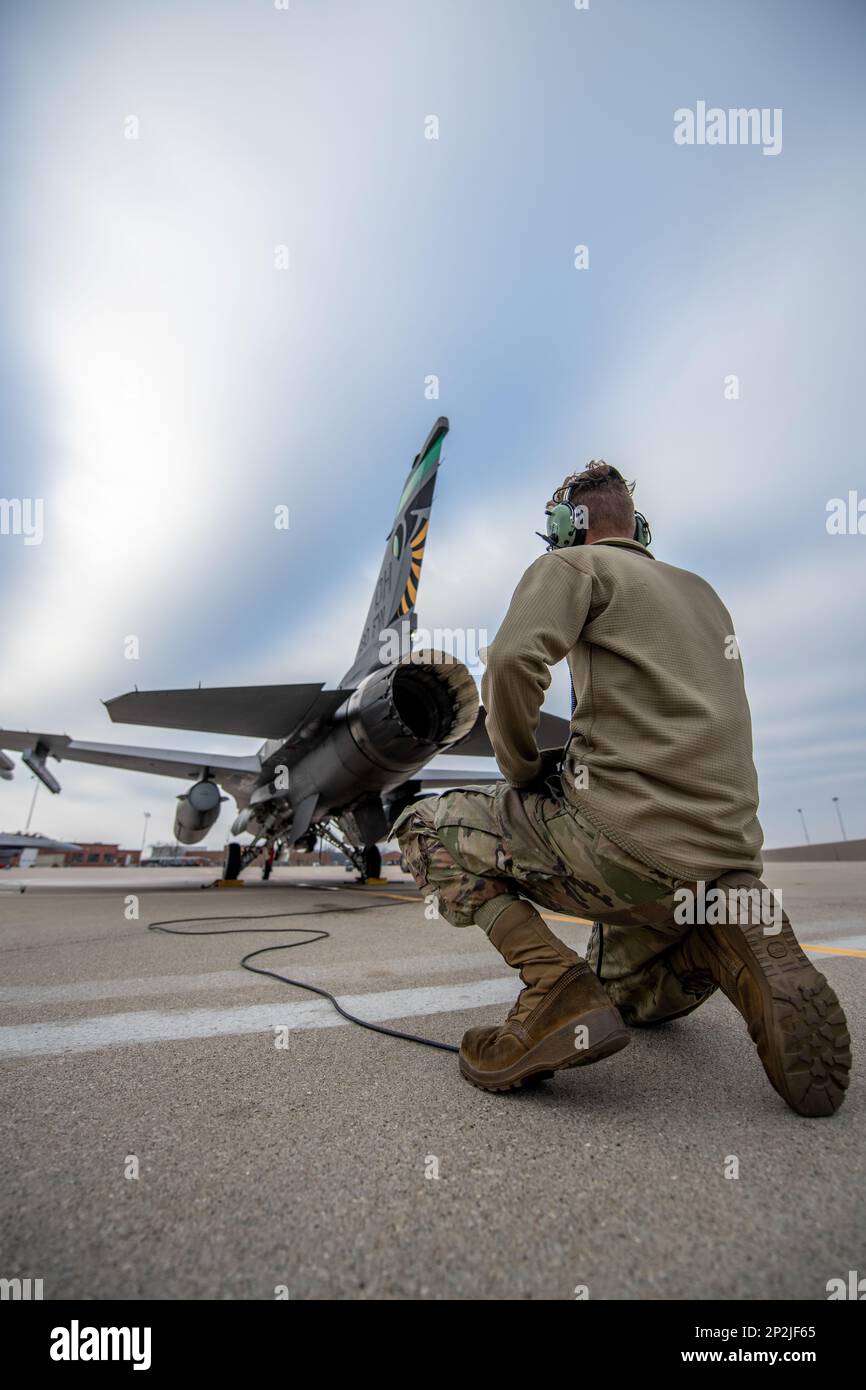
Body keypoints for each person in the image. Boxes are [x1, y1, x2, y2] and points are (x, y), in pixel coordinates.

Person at [392, 462, 851, 1116]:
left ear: (562, 526)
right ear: (637, 525)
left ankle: (551, 986)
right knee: (628, 1000)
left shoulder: (572, 568)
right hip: (725, 860)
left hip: (623, 843)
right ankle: (714, 938)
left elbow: (512, 661)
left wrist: (522, 770)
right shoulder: (702, 593)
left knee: (423, 826)